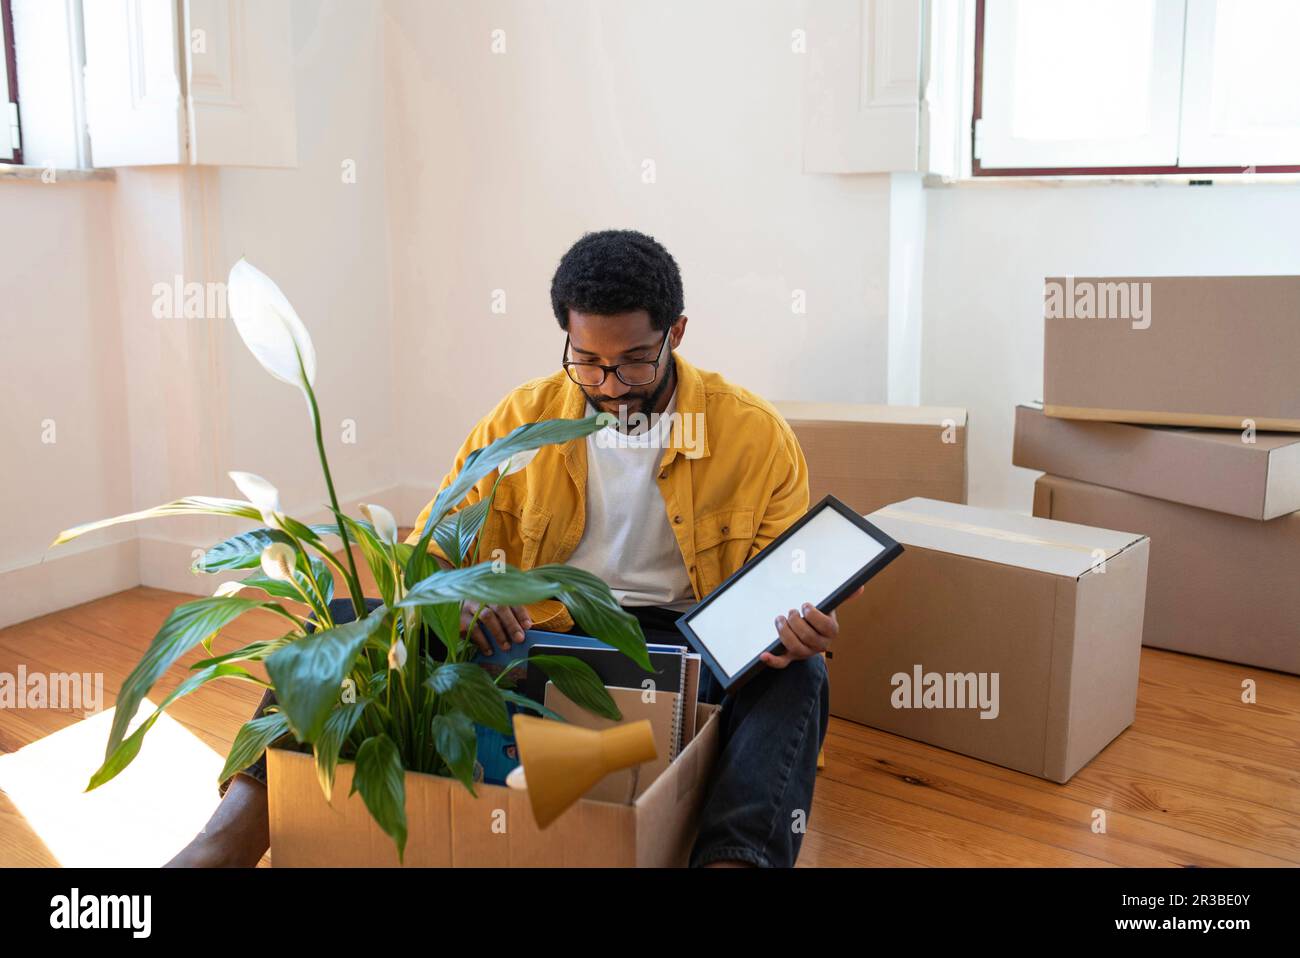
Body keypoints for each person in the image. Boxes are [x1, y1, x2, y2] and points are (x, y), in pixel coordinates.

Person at [167, 228, 857, 869]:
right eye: (587, 362)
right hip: (536, 629)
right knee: (348, 625)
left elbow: (780, 585)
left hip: (682, 643)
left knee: (798, 675)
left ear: (675, 333)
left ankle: (734, 861)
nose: (610, 387)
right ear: (565, 335)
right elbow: (430, 551)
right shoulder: (519, 420)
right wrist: (457, 602)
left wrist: (799, 628)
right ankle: (226, 839)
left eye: (634, 363)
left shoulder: (754, 435)